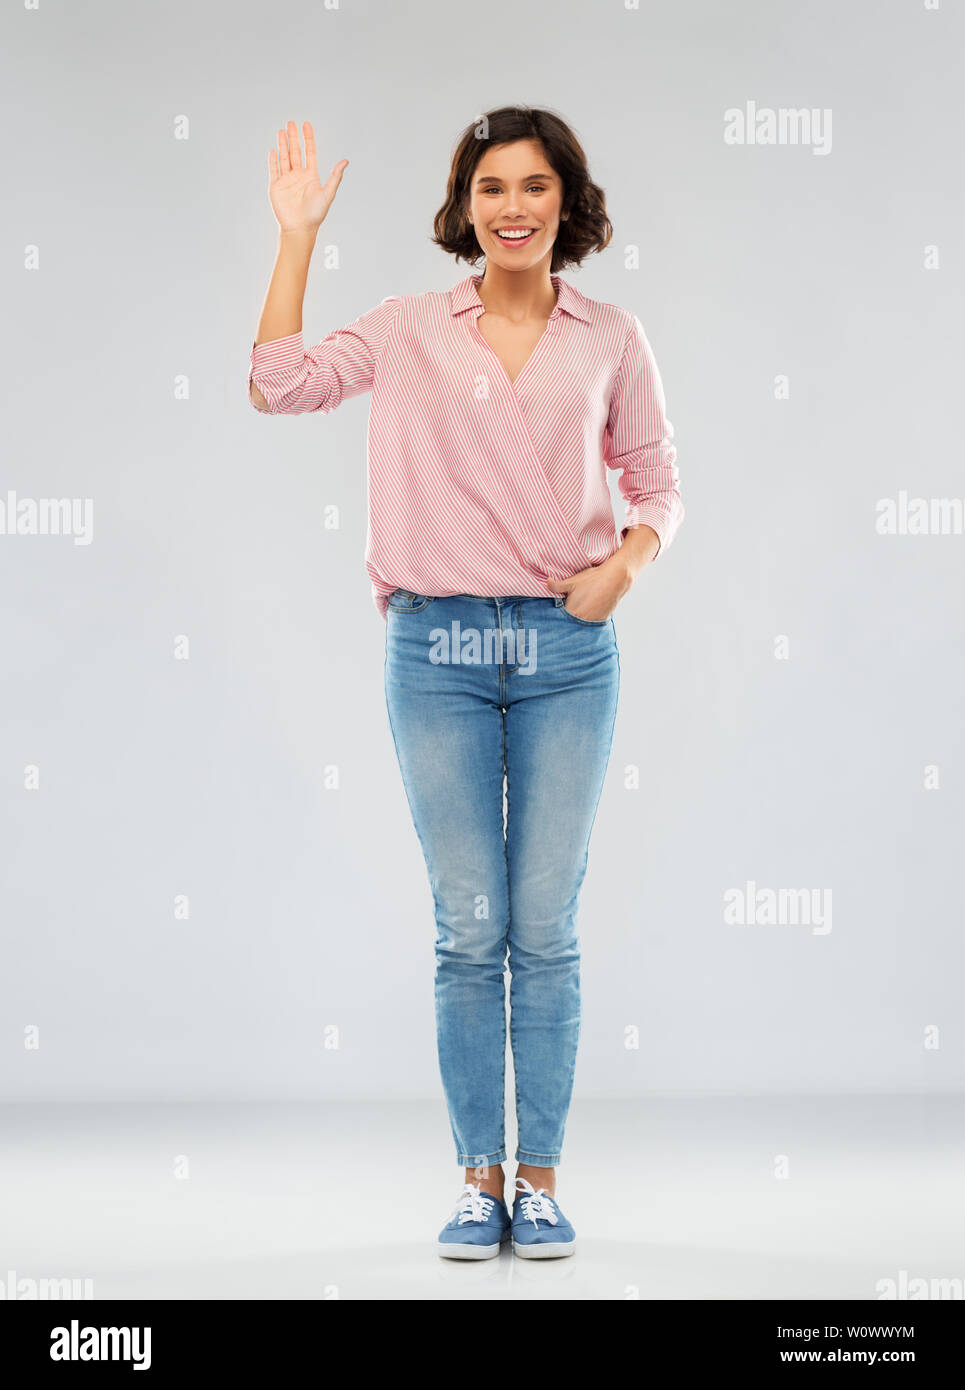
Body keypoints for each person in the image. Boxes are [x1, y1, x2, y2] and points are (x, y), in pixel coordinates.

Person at [248, 105, 684, 1259]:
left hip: (563, 652)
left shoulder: (610, 337)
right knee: (466, 926)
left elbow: (657, 483)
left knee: (542, 927)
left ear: (566, 203)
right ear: (463, 206)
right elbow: (278, 383)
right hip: (435, 649)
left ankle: (536, 1179)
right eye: (491, 187)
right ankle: (472, 1176)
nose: (511, 208)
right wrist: (296, 238)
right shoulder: (404, 329)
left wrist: (622, 572)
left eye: (534, 187)